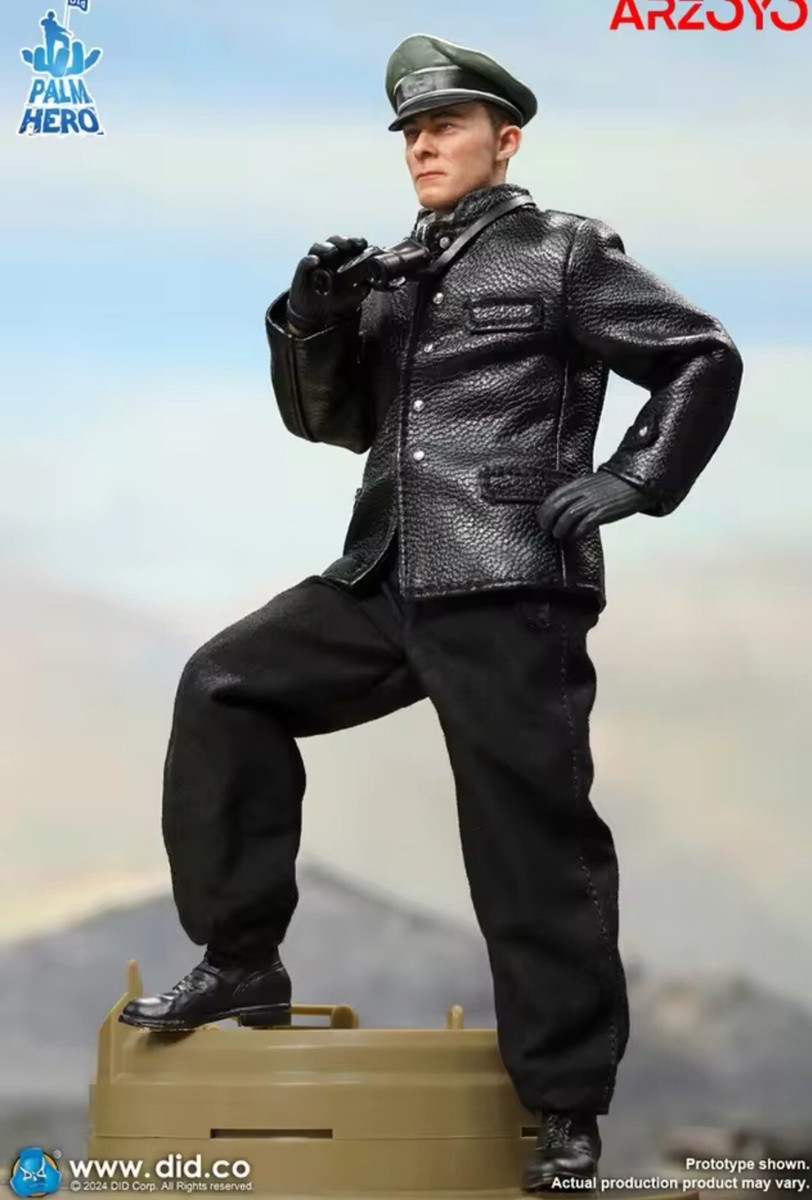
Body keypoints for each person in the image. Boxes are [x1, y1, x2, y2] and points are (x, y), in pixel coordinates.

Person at [119, 32, 743, 1194]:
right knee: (224, 686)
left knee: (526, 838)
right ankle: (242, 957)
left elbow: (699, 356)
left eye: (443, 125)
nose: (420, 146)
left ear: (505, 142)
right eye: (408, 131)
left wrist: (634, 479)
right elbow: (331, 423)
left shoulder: (563, 253)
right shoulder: (394, 274)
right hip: (384, 572)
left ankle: (563, 1108)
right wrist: (312, 317)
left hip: (505, 576)